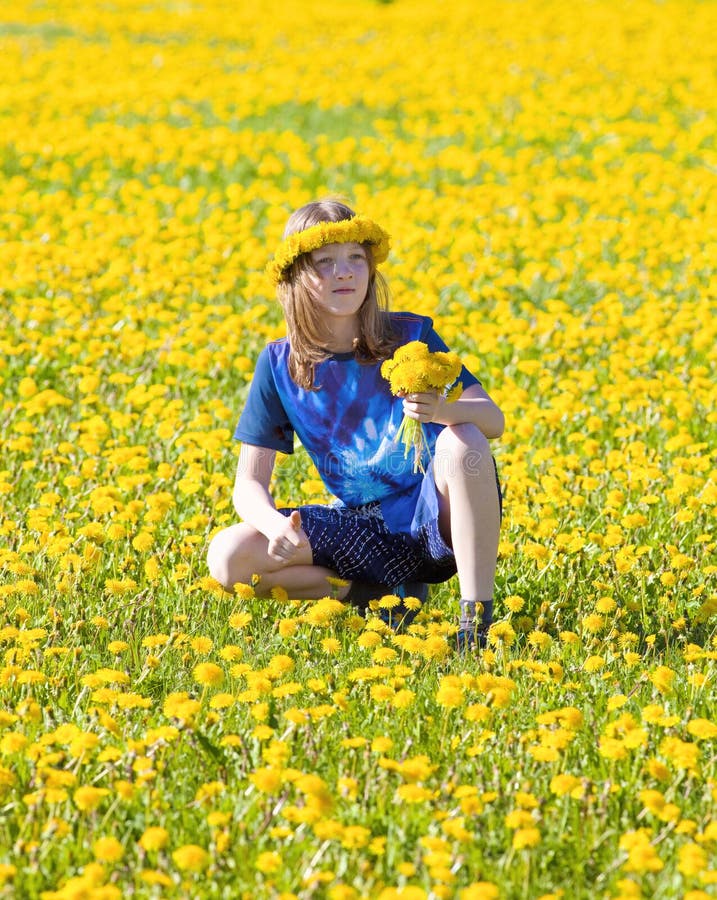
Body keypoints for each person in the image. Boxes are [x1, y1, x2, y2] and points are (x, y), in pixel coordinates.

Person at [207, 199, 504, 650]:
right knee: (227, 557)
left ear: (371, 268)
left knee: (463, 442)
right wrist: (272, 527)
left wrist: (441, 410)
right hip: (361, 529)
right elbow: (248, 483)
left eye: (355, 259)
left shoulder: (412, 336)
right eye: (325, 261)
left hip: (433, 521)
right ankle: (372, 597)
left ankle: (474, 622)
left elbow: (492, 419)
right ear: (295, 277)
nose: (343, 272)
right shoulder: (279, 364)